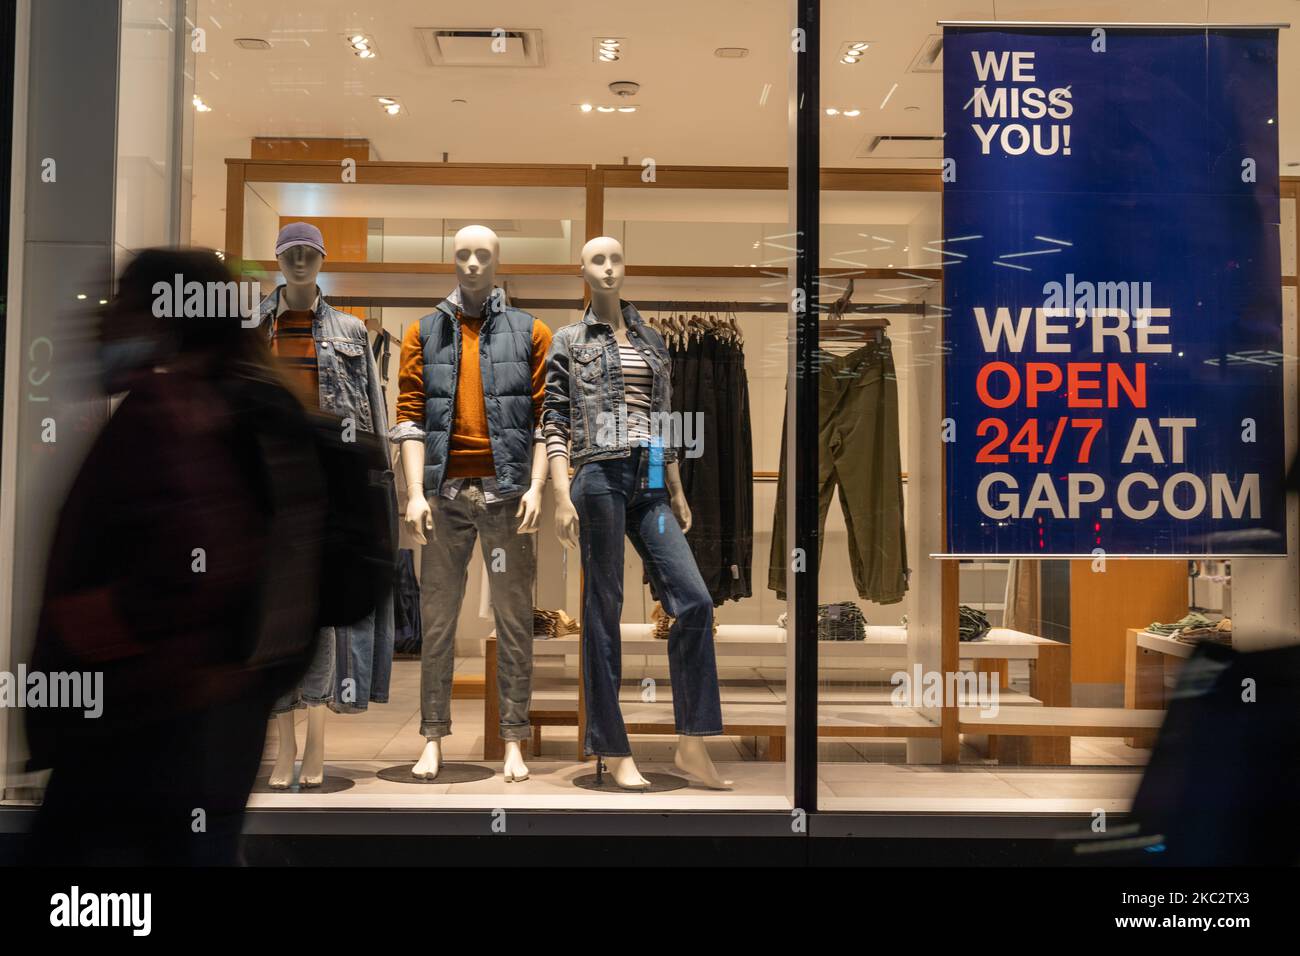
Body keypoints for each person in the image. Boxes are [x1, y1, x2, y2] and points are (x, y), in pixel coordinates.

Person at [24, 248, 328, 865]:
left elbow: (201, 560)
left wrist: (95, 626)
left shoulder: (174, 414)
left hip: (148, 719)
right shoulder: (244, 401)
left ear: (161, 315)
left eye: (121, 304)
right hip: (202, 715)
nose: (102, 322)